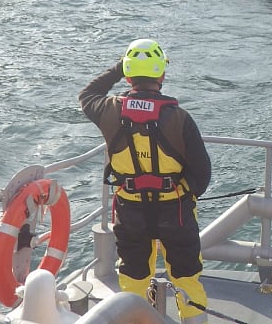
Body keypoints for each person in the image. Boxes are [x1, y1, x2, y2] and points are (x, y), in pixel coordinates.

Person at [78, 38, 211, 324]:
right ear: (162, 75)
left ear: (127, 75)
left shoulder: (108, 110)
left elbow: (88, 93)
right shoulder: (180, 118)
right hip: (175, 209)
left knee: (133, 279)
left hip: (130, 210)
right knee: (187, 279)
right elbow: (202, 174)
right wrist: (183, 193)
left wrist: (119, 67)